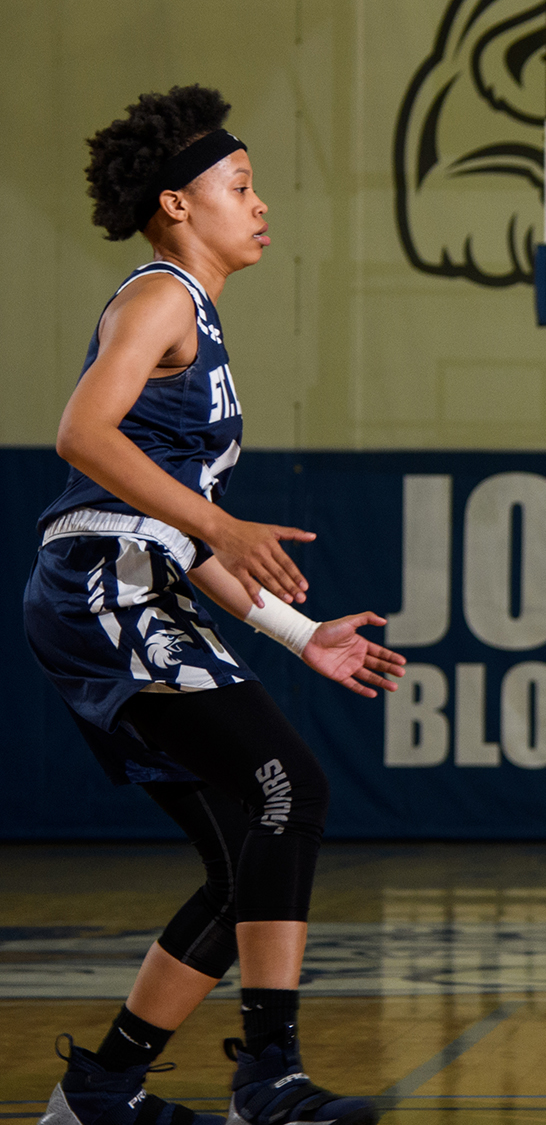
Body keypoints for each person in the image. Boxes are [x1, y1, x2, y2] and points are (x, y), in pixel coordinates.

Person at [24, 87, 404, 1125]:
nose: (261, 203)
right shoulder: (160, 296)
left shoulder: (197, 317)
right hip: (100, 581)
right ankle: (267, 1079)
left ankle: (100, 1090)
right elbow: (81, 435)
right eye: (240, 185)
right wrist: (221, 523)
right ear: (178, 204)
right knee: (291, 787)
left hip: (132, 576)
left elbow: (184, 534)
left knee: (252, 850)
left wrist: (300, 634)